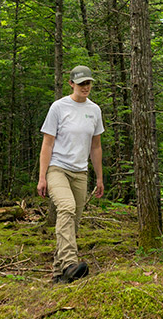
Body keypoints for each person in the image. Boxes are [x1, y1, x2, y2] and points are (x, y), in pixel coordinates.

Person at [38, 65, 106, 283]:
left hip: (81, 172)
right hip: (57, 168)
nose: (85, 87)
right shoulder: (59, 107)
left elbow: (95, 146)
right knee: (66, 208)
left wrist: (99, 177)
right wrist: (42, 176)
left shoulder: (94, 110)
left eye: (88, 83)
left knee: (73, 221)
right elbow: (47, 144)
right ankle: (69, 263)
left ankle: (59, 274)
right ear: (71, 84)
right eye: (81, 83)